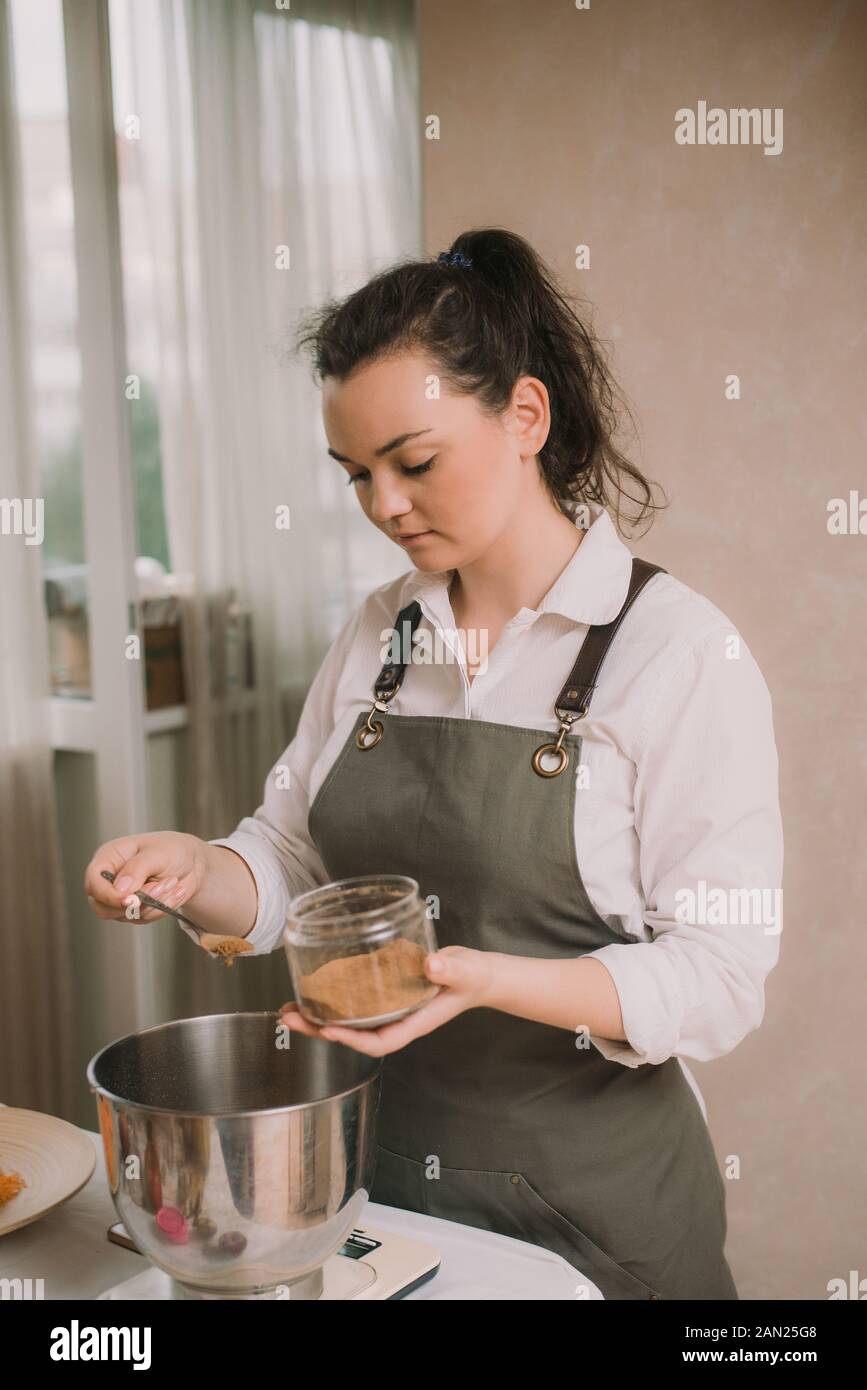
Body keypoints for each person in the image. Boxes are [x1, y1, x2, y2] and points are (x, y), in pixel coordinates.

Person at [86, 227, 783, 1300]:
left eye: (412, 463)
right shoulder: (380, 633)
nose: (384, 506)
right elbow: (290, 863)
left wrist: (476, 980)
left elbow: (721, 978)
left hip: (596, 1227)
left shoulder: (679, 654)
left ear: (524, 418)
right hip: (383, 1207)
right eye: (356, 474)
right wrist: (196, 869)